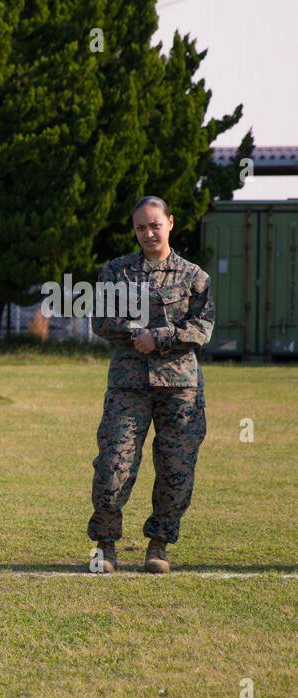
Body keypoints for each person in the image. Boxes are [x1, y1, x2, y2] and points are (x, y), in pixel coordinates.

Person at [88, 196, 213, 573]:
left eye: (155, 225)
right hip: (128, 386)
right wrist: (135, 333)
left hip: (180, 389)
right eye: (141, 227)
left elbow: (202, 329)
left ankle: (159, 544)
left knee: (176, 468)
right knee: (114, 465)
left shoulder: (195, 277)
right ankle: (105, 545)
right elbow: (101, 320)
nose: (148, 232)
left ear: (170, 223)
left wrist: (158, 338)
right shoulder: (115, 272)